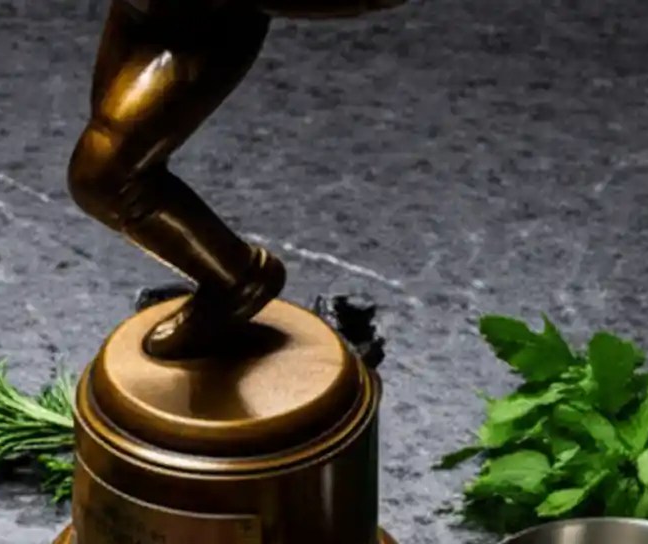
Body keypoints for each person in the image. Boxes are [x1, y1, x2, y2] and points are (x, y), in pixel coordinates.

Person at [68, 0, 405, 359]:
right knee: (118, 154)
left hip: (200, 27)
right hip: (140, 10)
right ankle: (229, 277)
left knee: (103, 175)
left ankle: (236, 279)